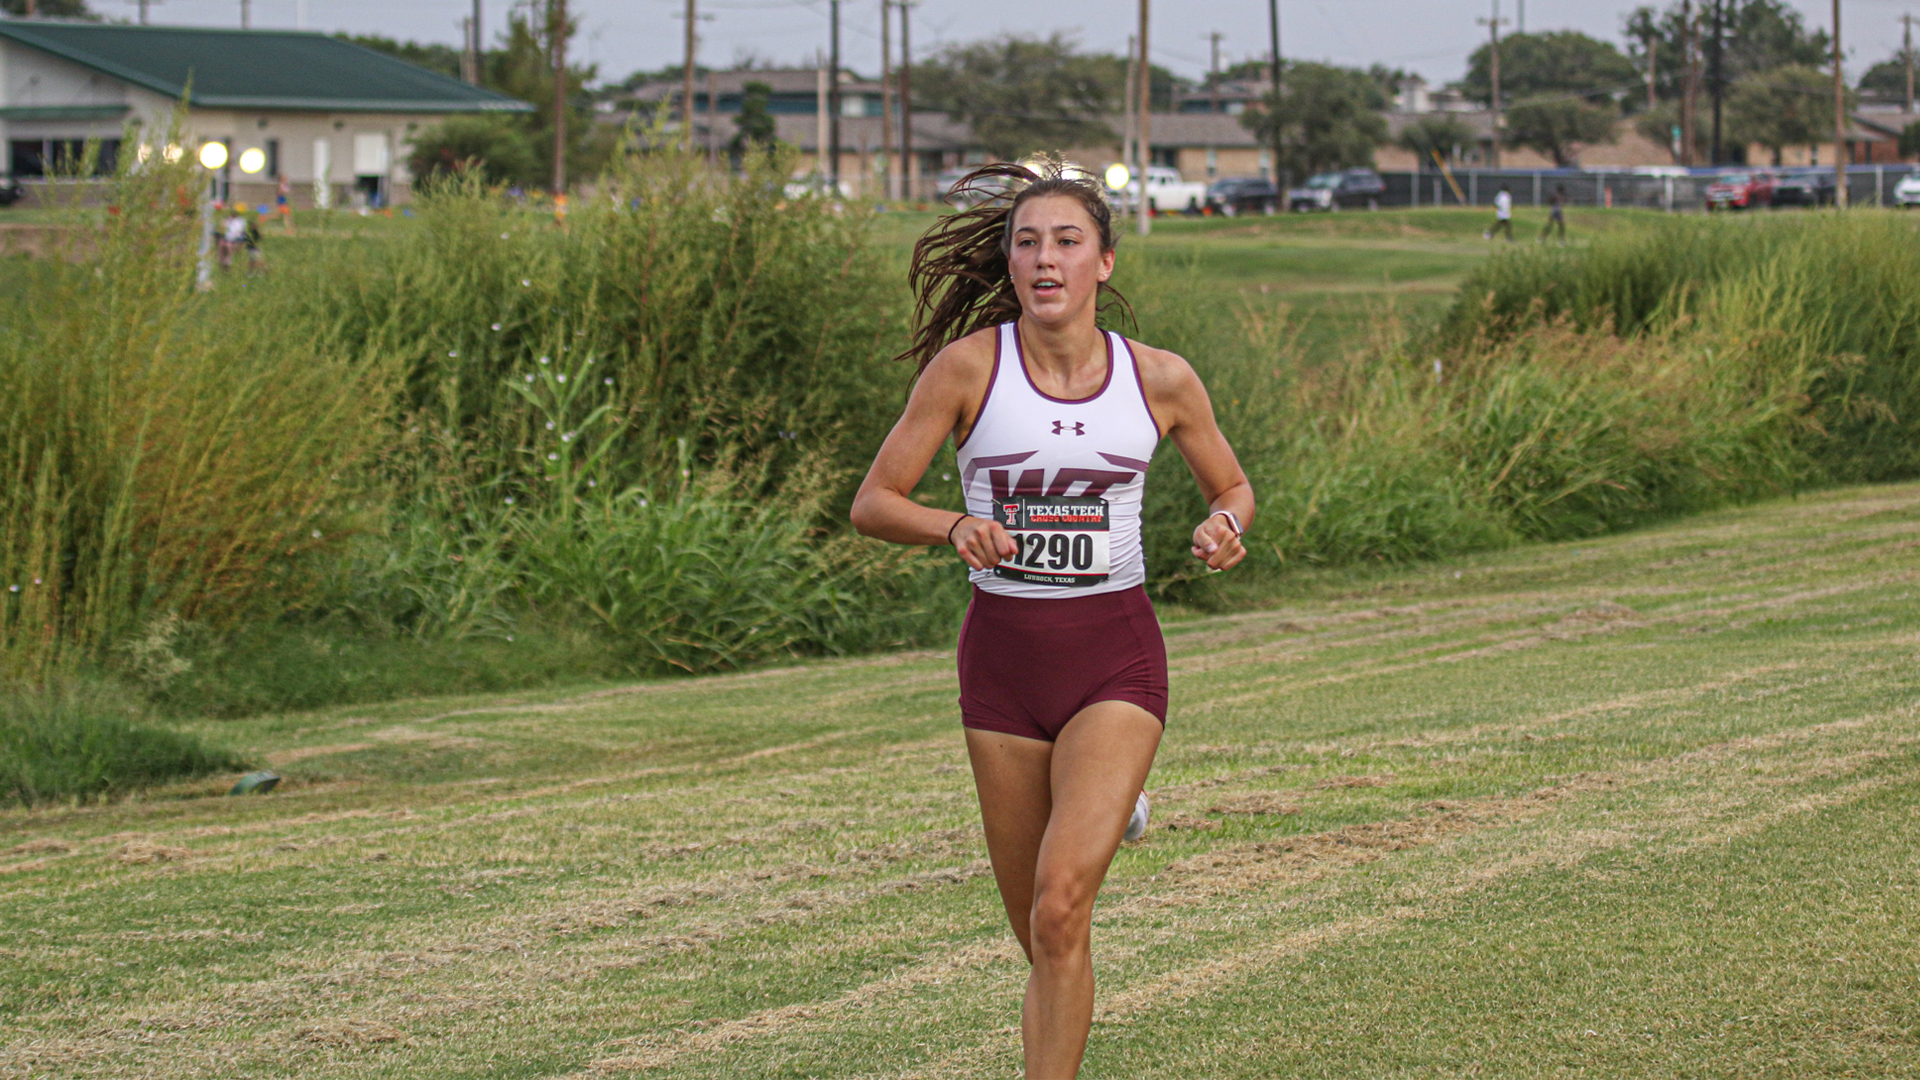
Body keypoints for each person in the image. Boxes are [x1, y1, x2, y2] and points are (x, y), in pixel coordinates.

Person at [850, 159, 1254, 1079]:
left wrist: (1226, 522)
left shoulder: (1159, 380)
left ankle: (1105, 795)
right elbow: (873, 502)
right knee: (1040, 936)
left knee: (1063, 907)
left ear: (1104, 262)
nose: (1045, 258)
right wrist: (953, 523)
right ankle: (1106, 806)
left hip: (1114, 659)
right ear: (1010, 261)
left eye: (1067, 241)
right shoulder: (968, 369)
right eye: (1027, 241)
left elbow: (1230, 484)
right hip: (1001, 670)